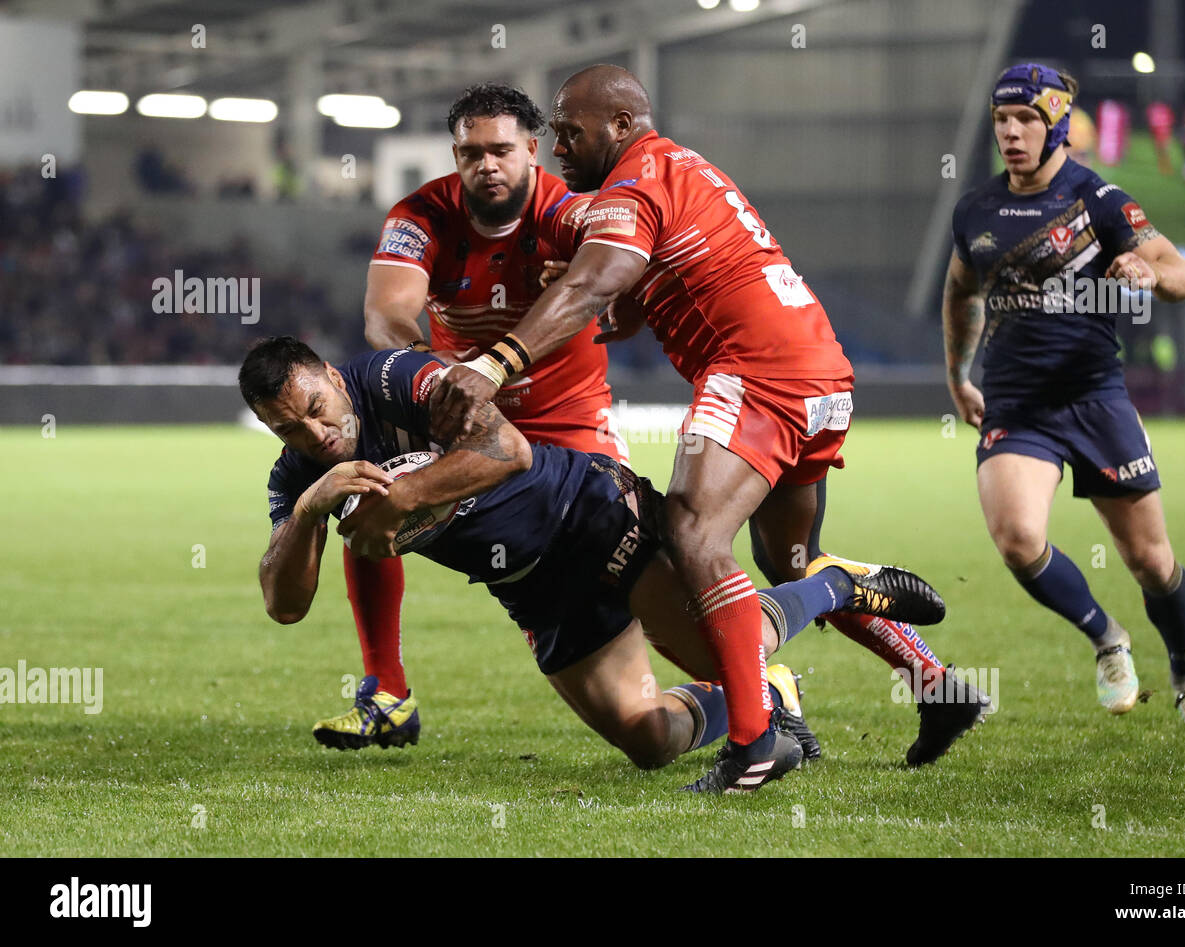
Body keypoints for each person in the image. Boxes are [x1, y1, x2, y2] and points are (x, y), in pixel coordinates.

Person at [424, 64, 987, 793]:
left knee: (691, 534)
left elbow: (596, 287)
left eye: (571, 131)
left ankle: (754, 743)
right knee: (788, 561)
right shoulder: (678, 169)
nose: (559, 147)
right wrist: (592, 286)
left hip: (758, 371)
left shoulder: (634, 181)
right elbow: (623, 308)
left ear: (621, 126)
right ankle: (937, 684)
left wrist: (497, 361)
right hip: (816, 369)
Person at [240, 336, 932, 787]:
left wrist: (401, 497)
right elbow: (284, 603)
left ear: (331, 376)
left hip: (588, 514)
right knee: (649, 740)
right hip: (533, 591)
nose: (317, 433)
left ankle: (836, 583)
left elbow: (509, 450)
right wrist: (308, 511)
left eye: (317, 407)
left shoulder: (394, 376)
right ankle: (772, 694)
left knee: (724, 639)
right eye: (289, 427)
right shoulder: (299, 475)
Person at [317, 83, 625, 750]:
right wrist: (426, 369)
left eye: (501, 150)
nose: (487, 164)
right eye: (471, 152)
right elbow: (387, 314)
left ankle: (750, 674)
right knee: (374, 489)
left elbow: (627, 272)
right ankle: (388, 692)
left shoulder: (570, 213)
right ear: (455, 155)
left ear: (533, 151)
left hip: (568, 419)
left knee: (624, 565)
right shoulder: (420, 214)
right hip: (463, 418)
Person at [942, 63, 1185, 727]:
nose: (1010, 133)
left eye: (1026, 121)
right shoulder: (976, 211)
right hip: (1016, 404)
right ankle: (1107, 637)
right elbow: (961, 293)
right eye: (1001, 121)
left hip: (1095, 398)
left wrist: (1146, 271)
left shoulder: (1099, 200)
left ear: (1058, 126)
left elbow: (1184, 276)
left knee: (1152, 561)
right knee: (1017, 537)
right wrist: (957, 375)